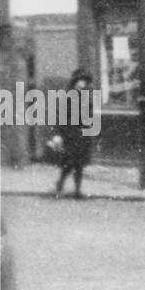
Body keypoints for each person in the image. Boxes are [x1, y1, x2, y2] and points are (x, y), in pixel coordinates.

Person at [52, 69, 95, 199]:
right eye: (80, 81)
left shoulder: (86, 95)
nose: (82, 84)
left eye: (84, 82)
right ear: (75, 81)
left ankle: (77, 191)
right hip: (70, 134)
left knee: (79, 164)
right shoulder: (67, 96)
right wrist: (58, 134)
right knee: (69, 163)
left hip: (83, 134)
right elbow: (61, 116)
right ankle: (60, 184)